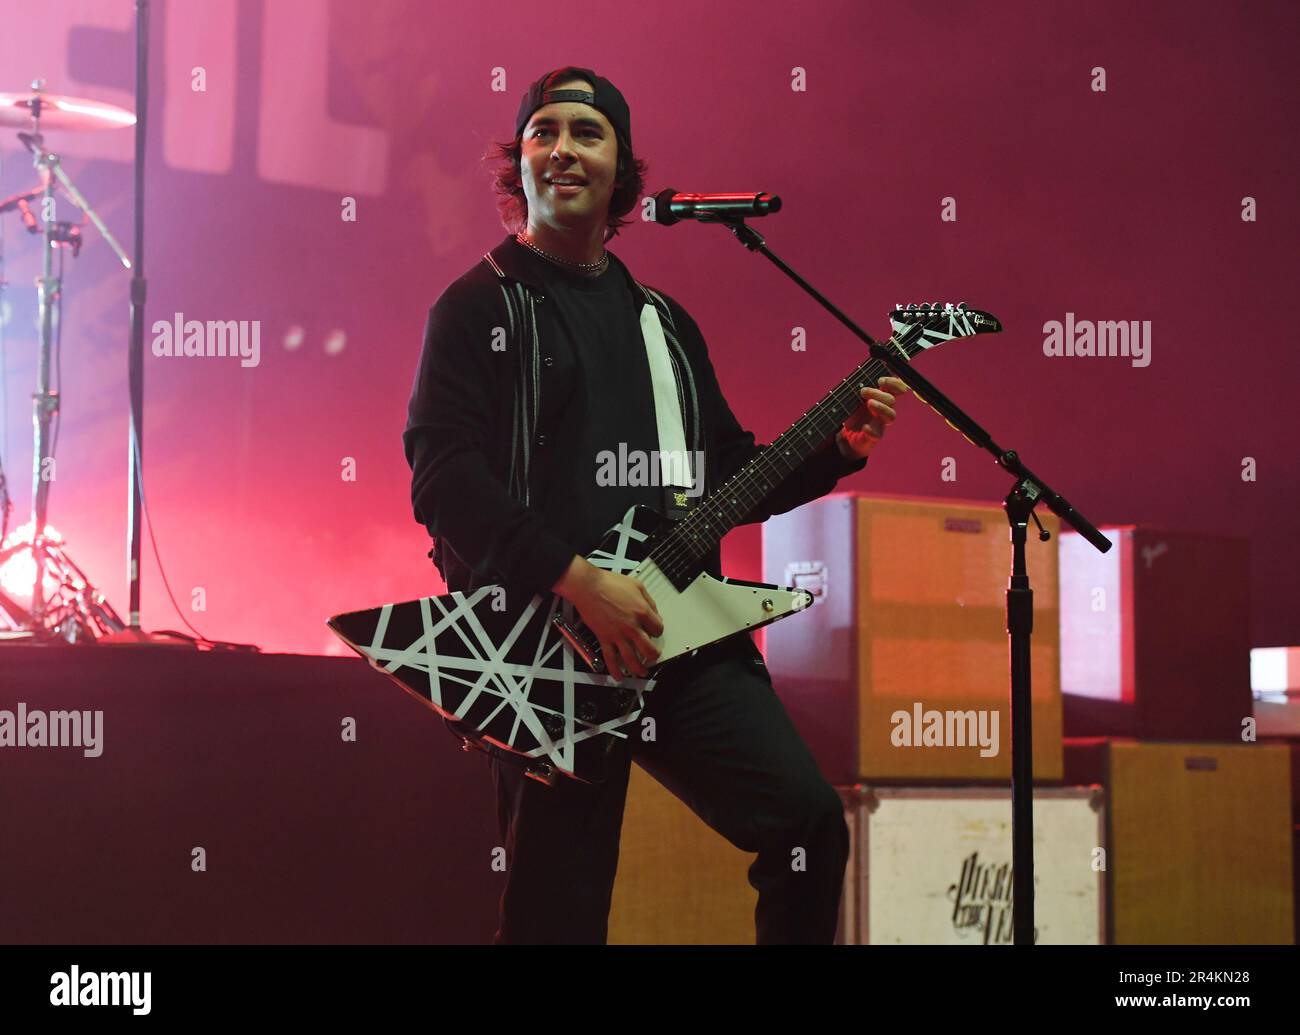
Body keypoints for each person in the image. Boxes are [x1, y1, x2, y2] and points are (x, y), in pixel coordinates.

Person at [403, 66, 909, 944]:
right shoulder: (479, 306)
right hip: (547, 650)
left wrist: (836, 449)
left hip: (680, 638)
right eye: (543, 132)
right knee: (556, 921)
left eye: (586, 133)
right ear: (517, 162)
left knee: (807, 825)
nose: (562, 148)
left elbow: (726, 476)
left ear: (621, 169)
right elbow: (443, 479)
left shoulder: (663, 323)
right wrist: (575, 579)